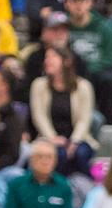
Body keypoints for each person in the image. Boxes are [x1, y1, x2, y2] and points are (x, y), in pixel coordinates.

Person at [28, 43, 96, 177]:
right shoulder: (38, 85)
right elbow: (39, 116)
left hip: (78, 137)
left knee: (80, 154)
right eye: (46, 58)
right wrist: (52, 138)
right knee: (57, 154)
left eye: (52, 57)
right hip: (48, 138)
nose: (47, 61)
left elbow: (84, 119)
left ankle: (86, 190)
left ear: (66, 61)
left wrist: (74, 141)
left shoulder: (83, 86)